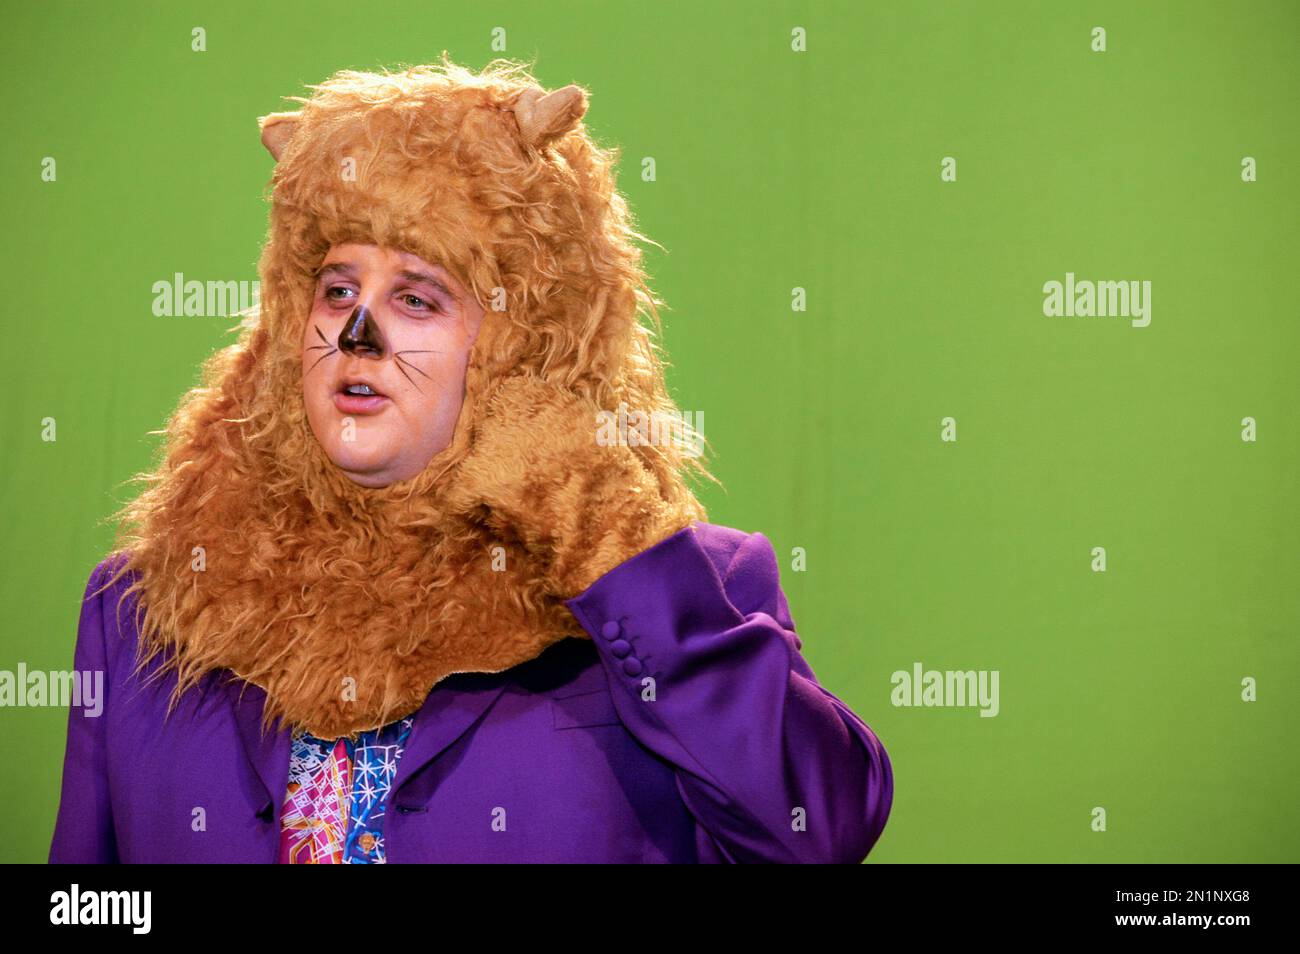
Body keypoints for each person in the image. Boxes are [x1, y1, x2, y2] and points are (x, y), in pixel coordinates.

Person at [48, 54, 893, 863]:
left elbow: (816, 833)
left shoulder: (680, 589)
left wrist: (601, 524)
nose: (356, 335)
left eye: (417, 297)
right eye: (337, 288)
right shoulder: (145, 610)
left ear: (520, 343)